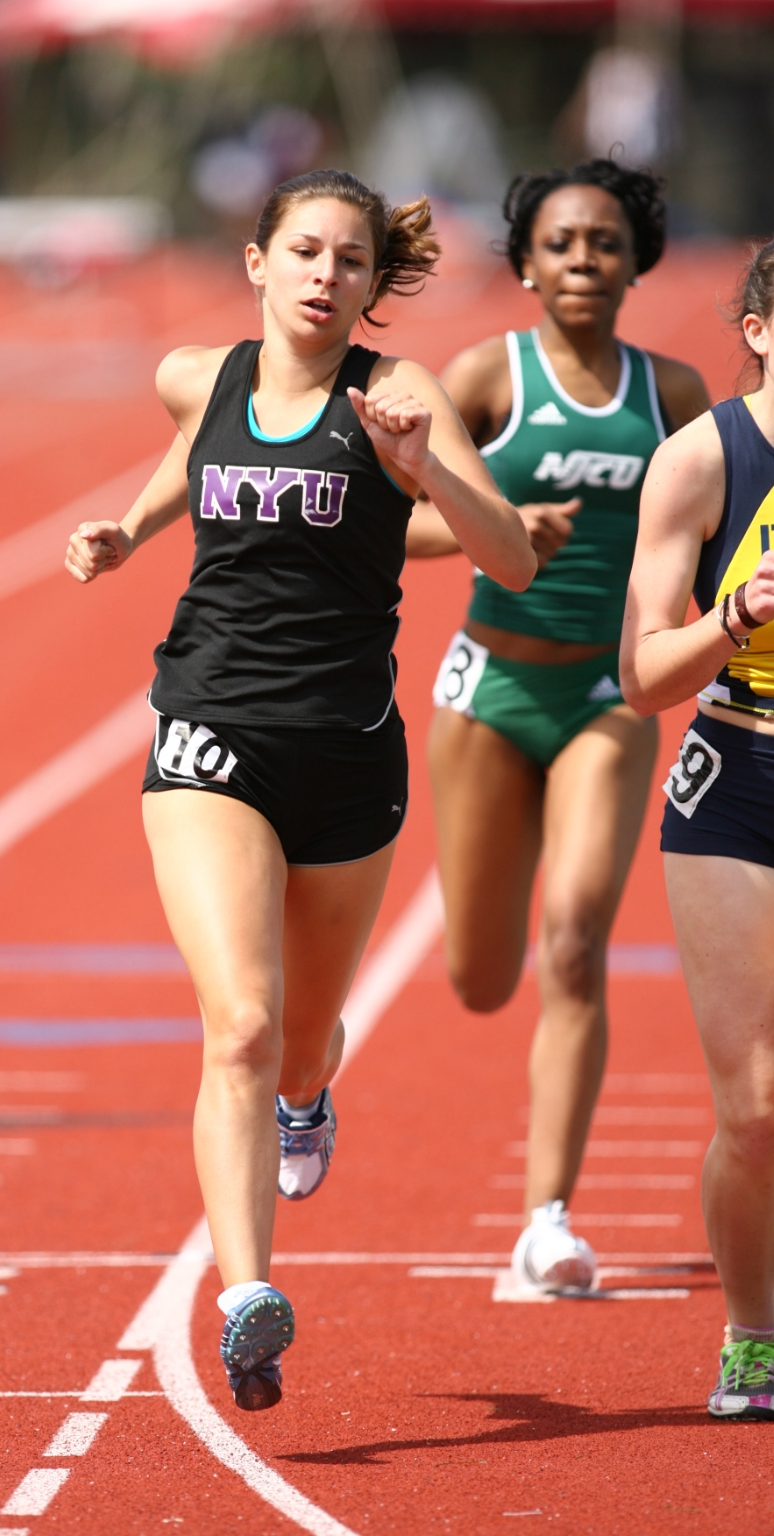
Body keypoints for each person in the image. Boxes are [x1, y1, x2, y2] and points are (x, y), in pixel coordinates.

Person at [65, 168, 535, 1410]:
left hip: (345, 756)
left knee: (302, 1042)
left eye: (352, 262)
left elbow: (512, 560)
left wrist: (427, 468)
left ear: (375, 287)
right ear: (257, 263)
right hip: (208, 734)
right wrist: (130, 527)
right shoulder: (196, 374)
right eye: (307, 252)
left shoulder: (395, 392)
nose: (328, 276)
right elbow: (194, 450)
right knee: (240, 1025)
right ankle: (247, 1294)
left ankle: (310, 1101)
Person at [405, 158, 709, 1294]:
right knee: (482, 978)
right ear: (525, 264)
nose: (583, 260)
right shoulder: (484, 377)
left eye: (604, 242)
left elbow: (724, 524)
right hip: (488, 693)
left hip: (606, 697)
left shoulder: (672, 395)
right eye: (561, 243)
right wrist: (497, 530)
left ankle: (548, 1219)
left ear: (636, 261)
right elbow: (383, 531)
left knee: (575, 942)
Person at [621, 239, 774, 1419]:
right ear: (759, 327)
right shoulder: (701, 458)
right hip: (740, 776)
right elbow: (639, 676)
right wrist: (734, 613)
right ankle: (753, 1333)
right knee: (757, 1105)